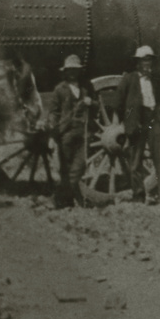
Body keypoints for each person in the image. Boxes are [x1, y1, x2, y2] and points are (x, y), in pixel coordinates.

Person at [116, 45, 160, 205]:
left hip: (153, 120)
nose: (148, 64)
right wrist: (127, 123)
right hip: (136, 123)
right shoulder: (129, 79)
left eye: (150, 60)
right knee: (135, 163)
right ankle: (139, 196)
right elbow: (119, 103)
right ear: (138, 63)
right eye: (144, 61)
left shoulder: (156, 80)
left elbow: (159, 99)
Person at [49, 54, 96, 208]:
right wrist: (53, 135)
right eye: (70, 70)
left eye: (75, 70)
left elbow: (97, 105)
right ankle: (63, 201)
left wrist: (91, 102)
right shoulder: (59, 89)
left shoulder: (86, 87)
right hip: (66, 134)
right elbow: (54, 113)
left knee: (79, 168)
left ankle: (61, 198)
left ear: (79, 71)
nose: (72, 73)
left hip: (83, 134)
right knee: (64, 169)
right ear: (65, 71)